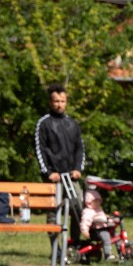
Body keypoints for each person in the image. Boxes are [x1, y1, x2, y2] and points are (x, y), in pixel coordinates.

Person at [34, 84, 85, 238]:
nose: (59, 105)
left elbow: (80, 148)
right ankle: (55, 248)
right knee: (53, 212)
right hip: (53, 177)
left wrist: (78, 169)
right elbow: (39, 150)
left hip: (70, 176)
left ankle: (74, 245)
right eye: (56, 101)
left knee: (78, 209)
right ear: (50, 102)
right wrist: (48, 172)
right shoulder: (44, 123)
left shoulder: (72, 123)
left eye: (62, 101)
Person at [79, 188, 117, 261]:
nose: (97, 203)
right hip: (96, 231)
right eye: (95, 201)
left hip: (105, 228)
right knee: (106, 238)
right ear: (89, 202)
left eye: (98, 201)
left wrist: (109, 218)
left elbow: (102, 217)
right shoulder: (88, 211)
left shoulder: (99, 209)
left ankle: (123, 251)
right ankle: (107, 254)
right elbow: (85, 222)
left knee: (116, 234)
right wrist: (85, 231)